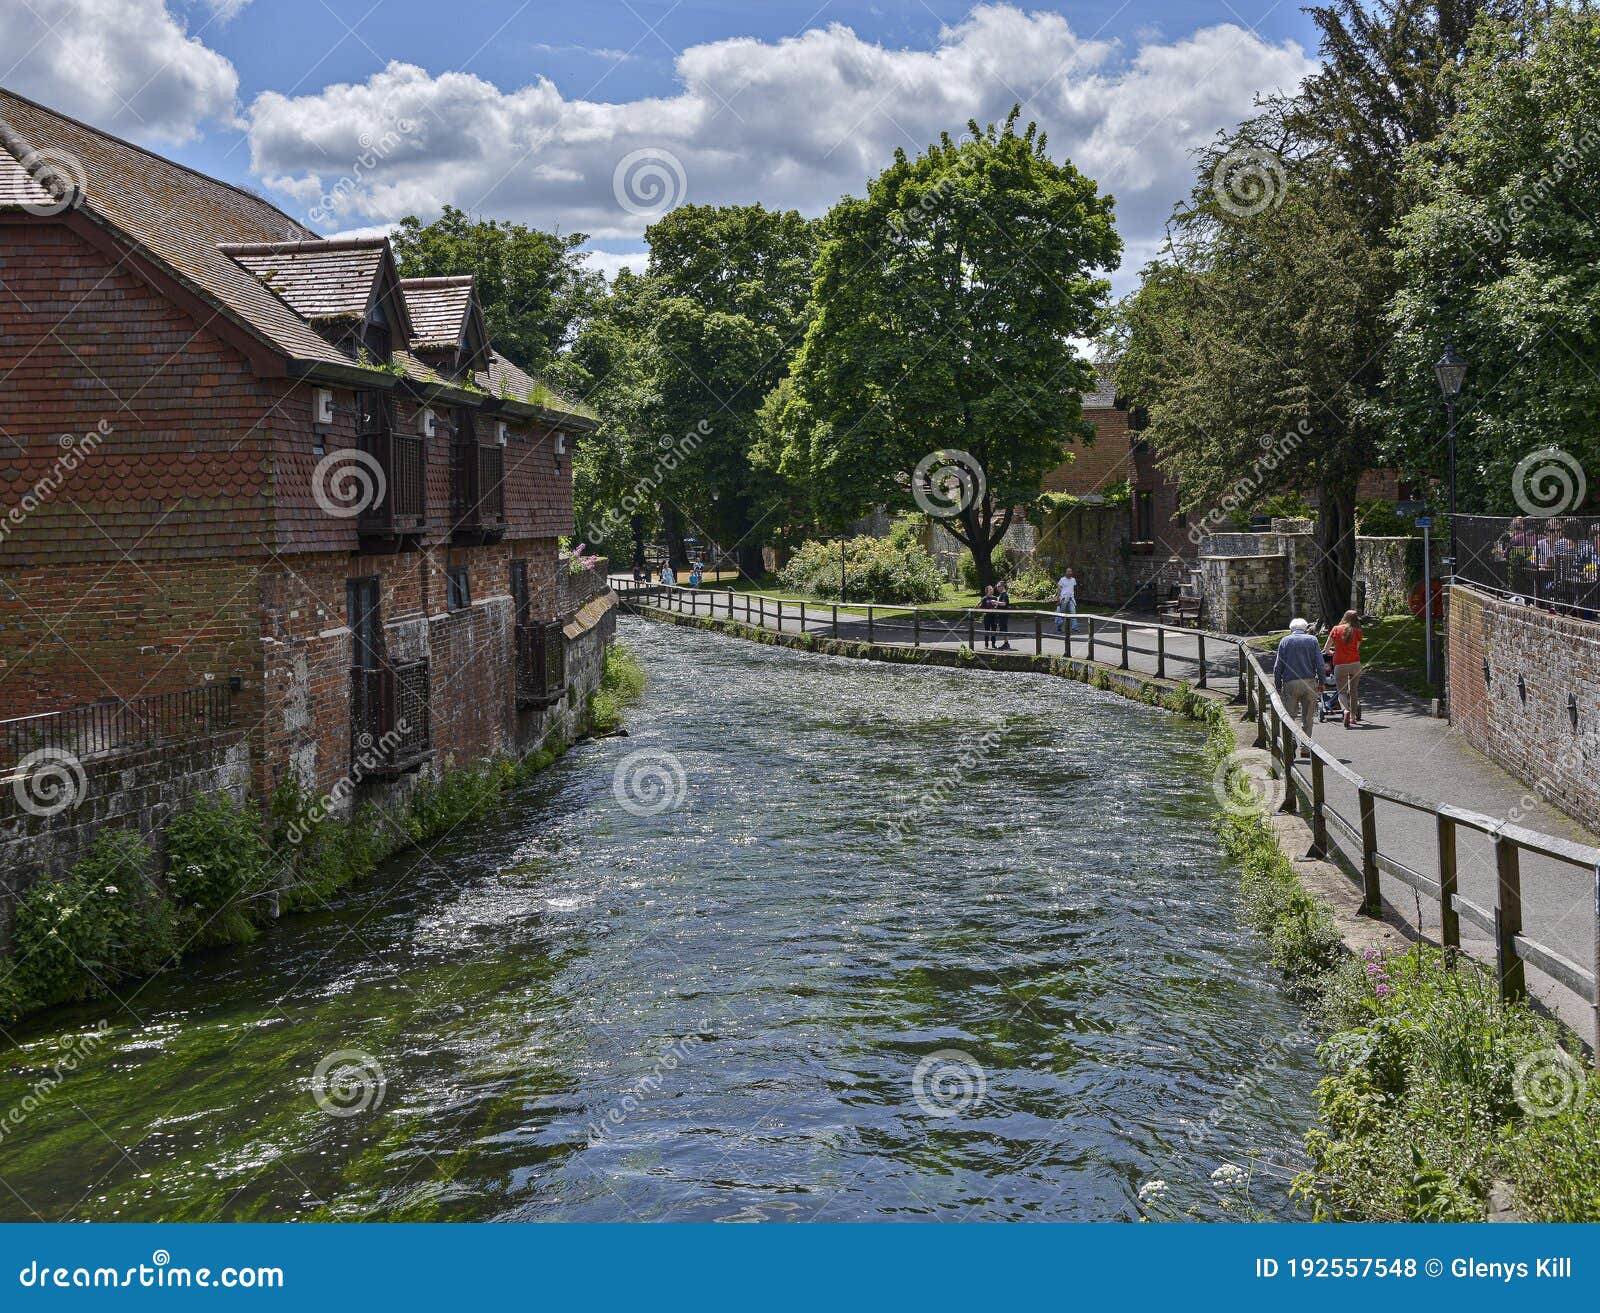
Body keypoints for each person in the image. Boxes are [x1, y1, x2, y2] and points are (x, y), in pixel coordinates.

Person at [1274, 617, 1323, 752]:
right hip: (1309, 682)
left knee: (1289, 716)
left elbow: (1278, 666)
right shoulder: (1312, 640)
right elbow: (1320, 664)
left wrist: (1278, 685)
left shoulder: (1285, 641)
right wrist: (1322, 682)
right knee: (1308, 717)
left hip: (1290, 682)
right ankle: (1305, 747)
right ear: (1305, 628)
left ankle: (1291, 740)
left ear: (1291, 629)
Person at [1325, 608, 1363, 728]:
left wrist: (1333, 652)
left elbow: (1326, 649)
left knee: (1342, 691)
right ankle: (1353, 717)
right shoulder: (1358, 631)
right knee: (1353, 691)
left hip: (1340, 664)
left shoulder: (1336, 629)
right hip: (1355, 664)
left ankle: (1345, 710)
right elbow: (1356, 648)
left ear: (1344, 617)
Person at [1055, 568, 1077, 634]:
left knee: (1073, 613)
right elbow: (1059, 589)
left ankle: (1074, 628)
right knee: (1062, 614)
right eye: (1068, 571)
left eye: (1071, 571)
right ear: (1066, 572)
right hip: (1064, 598)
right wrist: (1058, 599)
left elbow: (1072, 588)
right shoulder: (1062, 579)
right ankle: (1059, 628)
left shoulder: (1073, 580)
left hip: (1071, 598)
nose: (1070, 573)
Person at [995, 579, 1013, 650]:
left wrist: (996, 602)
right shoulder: (1001, 595)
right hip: (1000, 615)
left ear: (1002, 586)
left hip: (1004, 615)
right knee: (1003, 629)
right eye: (997, 587)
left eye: (998, 586)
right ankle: (1006, 643)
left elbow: (1004, 604)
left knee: (1004, 629)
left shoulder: (1005, 595)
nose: (997, 588)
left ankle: (1006, 643)